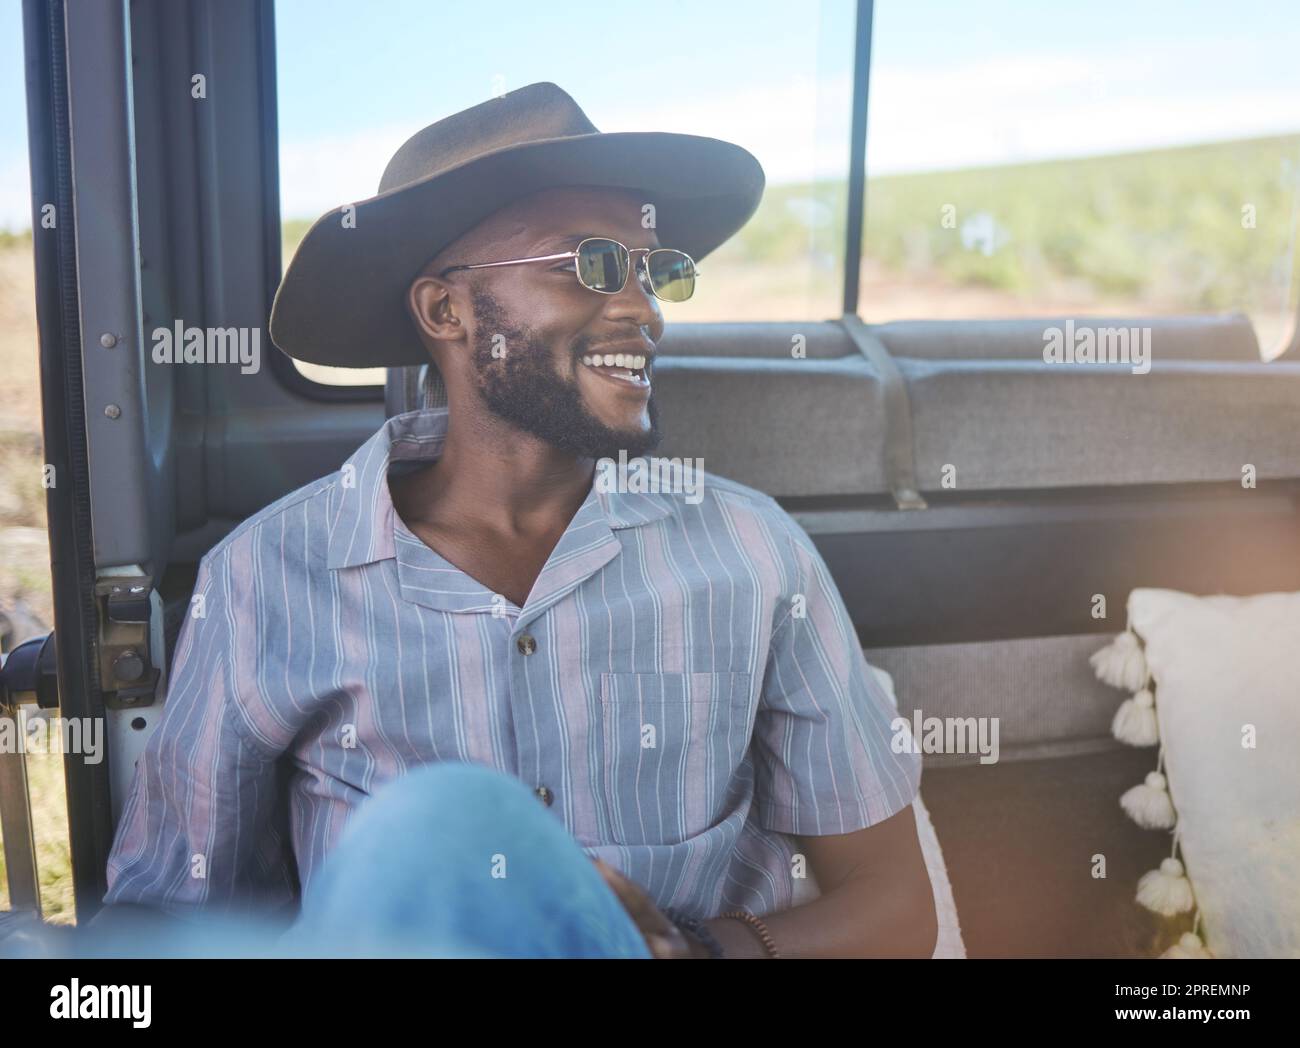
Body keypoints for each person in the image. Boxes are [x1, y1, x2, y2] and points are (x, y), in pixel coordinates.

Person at [95, 82, 936, 959]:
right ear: (444, 310)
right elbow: (169, 922)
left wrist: (703, 953)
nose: (644, 310)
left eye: (654, 271)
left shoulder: (753, 555)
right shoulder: (265, 579)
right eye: (592, 264)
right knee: (440, 829)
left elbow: (895, 907)